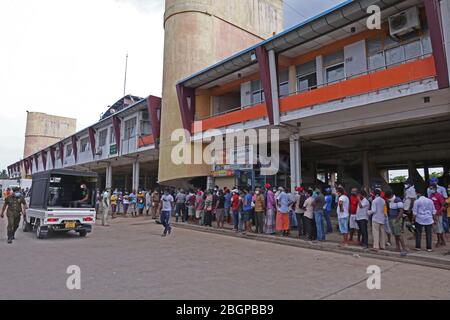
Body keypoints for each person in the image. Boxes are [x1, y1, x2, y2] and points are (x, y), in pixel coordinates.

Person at [413, 187, 436, 252]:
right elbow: (433, 210)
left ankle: (418, 247)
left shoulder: (417, 201)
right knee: (429, 233)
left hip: (419, 219)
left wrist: (413, 219)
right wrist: (434, 218)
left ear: (418, 193)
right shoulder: (430, 201)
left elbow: (414, 212)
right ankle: (429, 248)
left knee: (418, 233)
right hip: (429, 219)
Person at [385, 190, 407, 255]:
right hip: (391, 219)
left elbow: (401, 211)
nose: (388, 198)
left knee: (399, 234)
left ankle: (404, 248)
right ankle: (398, 247)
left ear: (391, 195)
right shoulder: (390, 200)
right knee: (395, 234)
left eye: (388, 197)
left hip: (396, 219)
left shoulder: (398, 200)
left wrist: (397, 220)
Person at [429, 183, 446, 248]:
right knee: (437, 229)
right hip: (433, 214)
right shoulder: (430, 196)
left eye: (432, 188)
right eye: (430, 189)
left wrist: (438, 213)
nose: (431, 190)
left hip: (438, 214)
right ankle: (443, 241)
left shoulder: (439, 195)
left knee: (439, 228)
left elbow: (443, 206)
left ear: (435, 188)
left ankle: (439, 241)